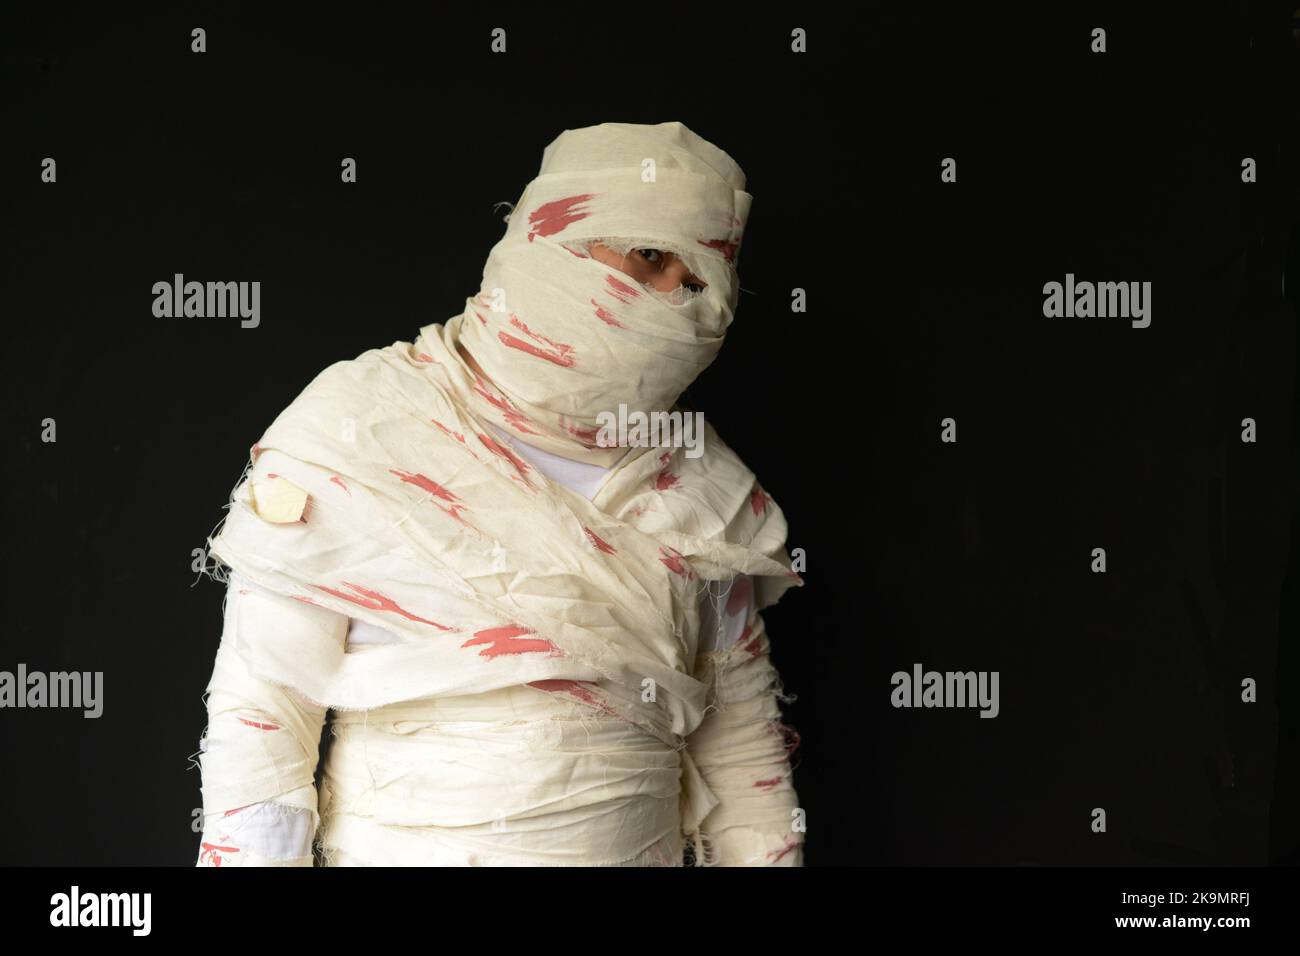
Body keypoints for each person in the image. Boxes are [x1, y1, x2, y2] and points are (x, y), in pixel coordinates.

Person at [194, 121, 805, 867]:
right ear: (554, 244)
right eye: (648, 255)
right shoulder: (363, 430)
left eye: (699, 278)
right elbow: (265, 715)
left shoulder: (700, 486)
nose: (673, 294)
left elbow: (743, 755)